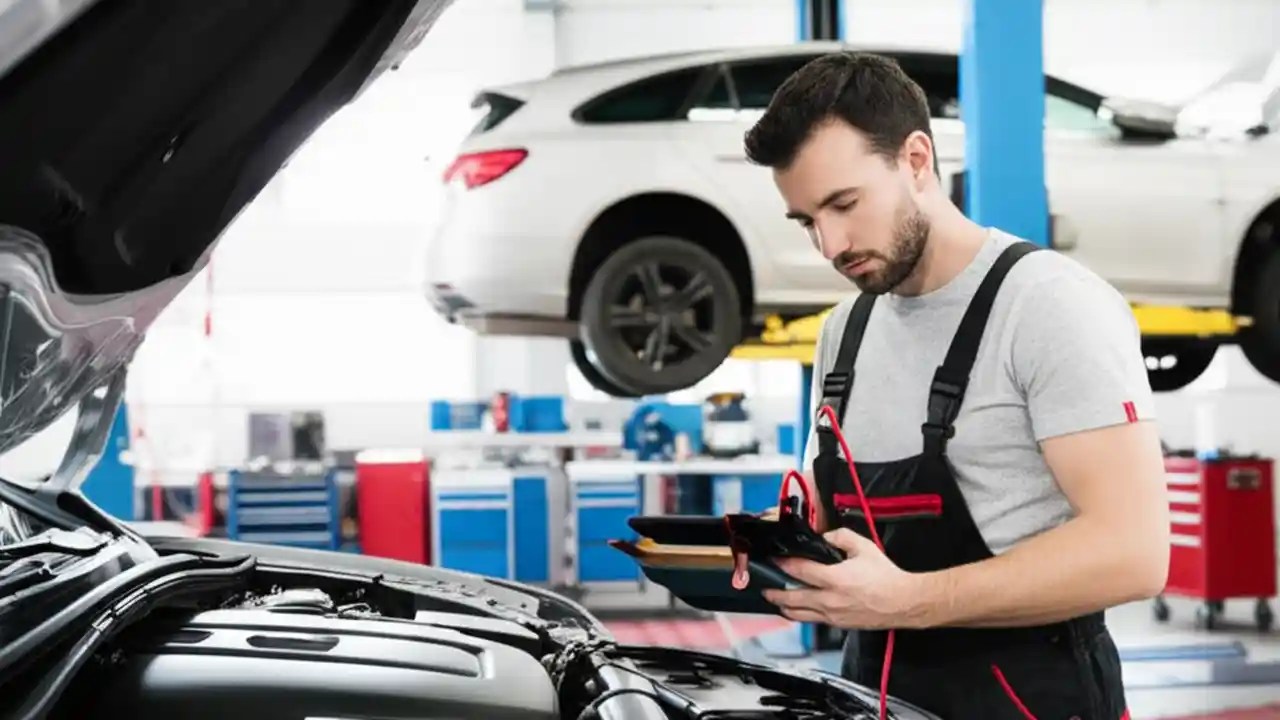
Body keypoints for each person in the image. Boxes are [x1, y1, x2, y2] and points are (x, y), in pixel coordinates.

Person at [741, 52, 1170, 719]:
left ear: (916, 160)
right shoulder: (843, 331)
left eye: (844, 204)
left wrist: (908, 600)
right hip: (872, 695)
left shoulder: (1050, 306)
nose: (829, 244)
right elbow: (832, 512)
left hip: (1030, 697)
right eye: (805, 221)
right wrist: (779, 545)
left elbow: (1135, 553)